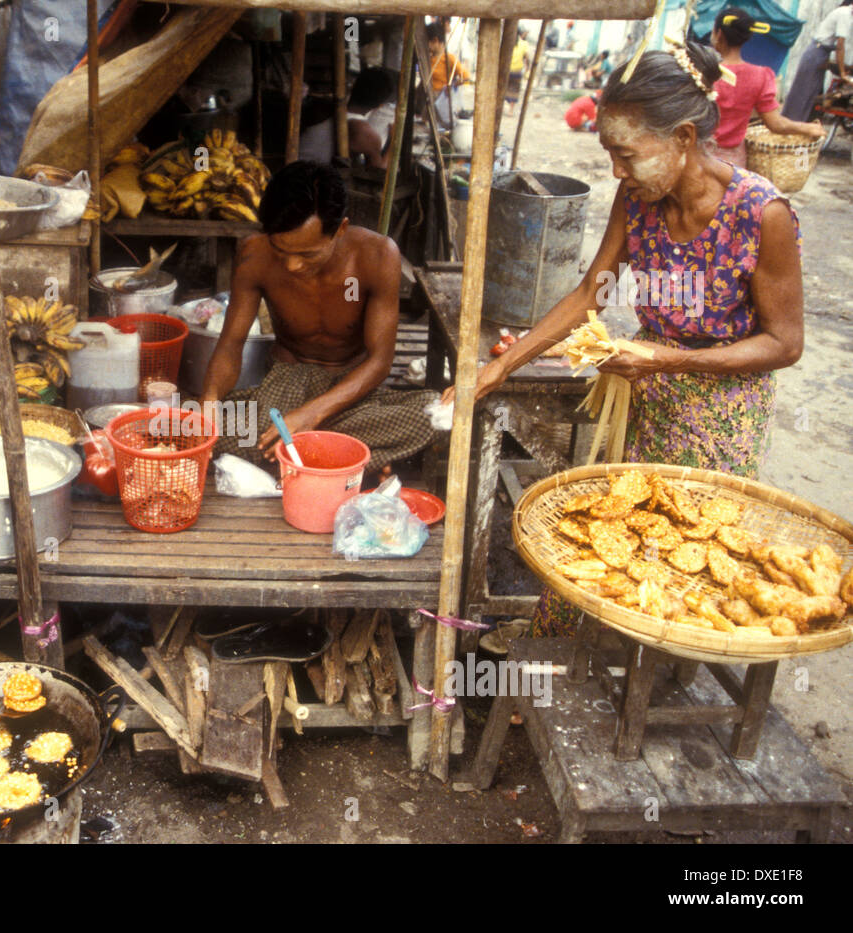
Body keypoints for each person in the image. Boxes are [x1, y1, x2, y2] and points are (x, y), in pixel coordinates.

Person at [445, 41, 805, 637]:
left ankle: (658, 675)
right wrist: (501, 369)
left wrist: (667, 358)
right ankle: (574, 654)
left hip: (720, 416)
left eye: (627, 154)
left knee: (686, 559)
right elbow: (592, 292)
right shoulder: (638, 199)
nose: (616, 170)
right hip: (647, 397)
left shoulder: (761, 214)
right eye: (609, 153)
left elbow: (785, 344)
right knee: (616, 540)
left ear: (684, 139)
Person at [203, 162, 441, 475]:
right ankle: (344, 458)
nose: (292, 266)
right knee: (207, 426)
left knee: (436, 413)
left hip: (351, 388)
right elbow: (231, 346)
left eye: (308, 254)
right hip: (288, 381)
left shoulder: (377, 256)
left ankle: (305, 454)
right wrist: (208, 404)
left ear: (340, 229)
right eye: (281, 250)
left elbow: (380, 362)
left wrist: (309, 415)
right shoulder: (254, 255)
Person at [711, 7, 824, 165]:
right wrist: (808, 128)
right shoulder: (760, 76)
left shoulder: (703, 72)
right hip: (733, 165)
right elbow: (776, 124)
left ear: (719, 34)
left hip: (699, 159)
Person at [780, 0, 853, 121]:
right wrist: (842, 73)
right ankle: (791, 125)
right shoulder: (844, 14)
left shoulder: (845, 13)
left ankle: (804, 126)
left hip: (821, 53)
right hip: (817, 53)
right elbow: (840, 46)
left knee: (813, 94)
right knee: (804, 94)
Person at [427, 21, 470, 131]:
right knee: (432, 127)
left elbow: (465, 76)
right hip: (430, 98)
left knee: (443, 127)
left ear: (435, 41)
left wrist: (453, 85)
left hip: (442, 99)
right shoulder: (427, 59)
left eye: (428, 42)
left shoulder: (449, 59)